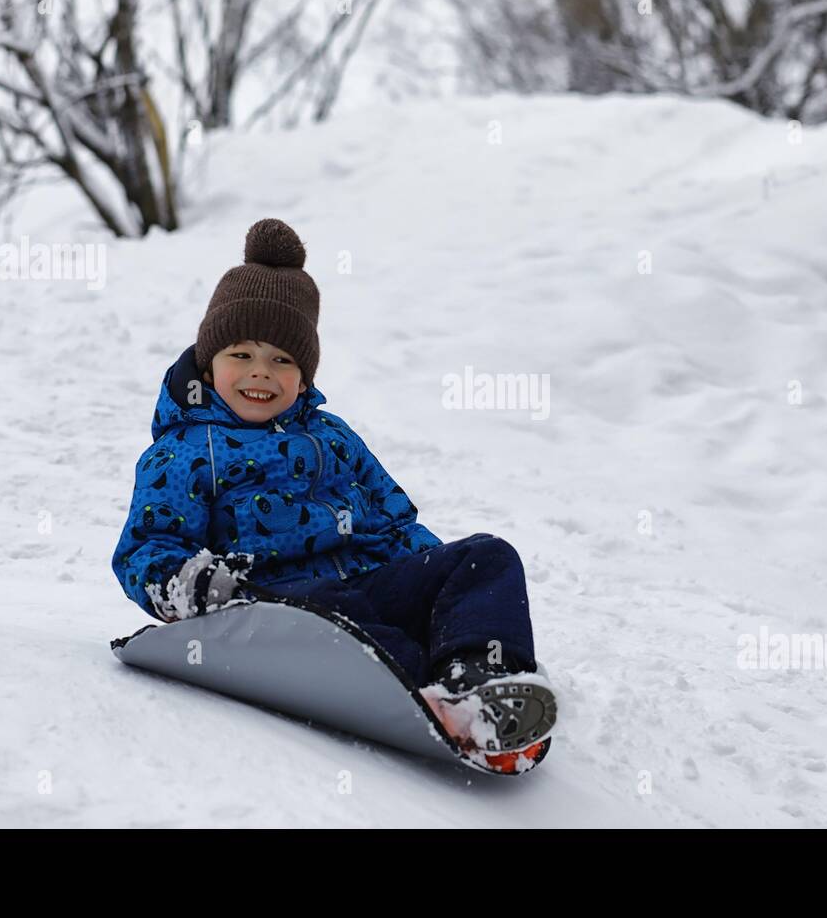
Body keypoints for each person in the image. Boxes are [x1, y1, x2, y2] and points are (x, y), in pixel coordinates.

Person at [110, 218, 556, 755]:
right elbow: (148, 547)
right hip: (281, 604)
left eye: (282, 360)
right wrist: (192, 586)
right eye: (241, 355)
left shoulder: (333, 437)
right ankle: (439, 703)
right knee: (359, 633)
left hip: (369, 580)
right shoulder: (182, 451)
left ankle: (480, 675)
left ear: (305, 375)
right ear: (209, 363)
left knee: (486, 558)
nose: (261, 374)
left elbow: (395, 523)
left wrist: (438, 588)